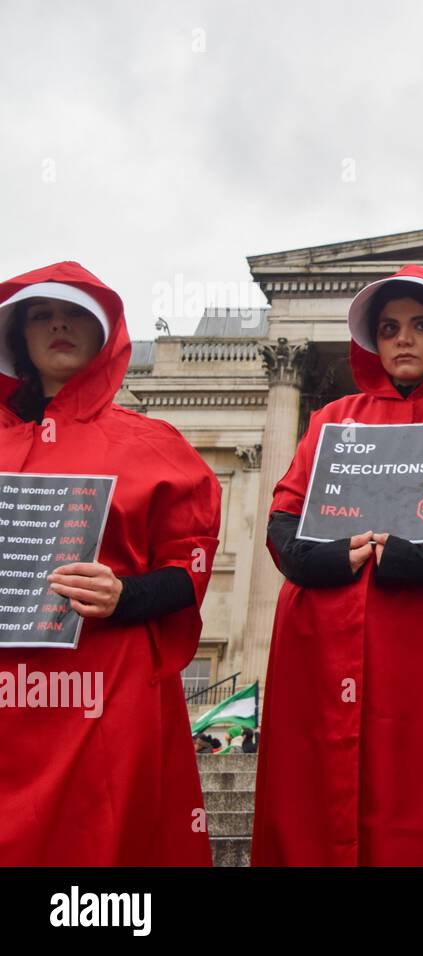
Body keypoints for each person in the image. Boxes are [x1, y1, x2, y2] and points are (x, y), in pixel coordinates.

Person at [251, 265, 423, 866]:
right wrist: (322, 557)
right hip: (328, 645)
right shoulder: (332, 420)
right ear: (372, 340)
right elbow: (283, 520)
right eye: (389, 327)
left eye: (421, 325)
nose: (403, 339)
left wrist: (412, 559)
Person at [0, 261, 221, 865]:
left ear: (105, 336)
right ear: (17, 333)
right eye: (40, 315)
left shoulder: (154, 443)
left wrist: (126, 596)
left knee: (102, 843)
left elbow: (188, 571)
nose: (58, 326)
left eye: (75, 315)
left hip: (102, 681)